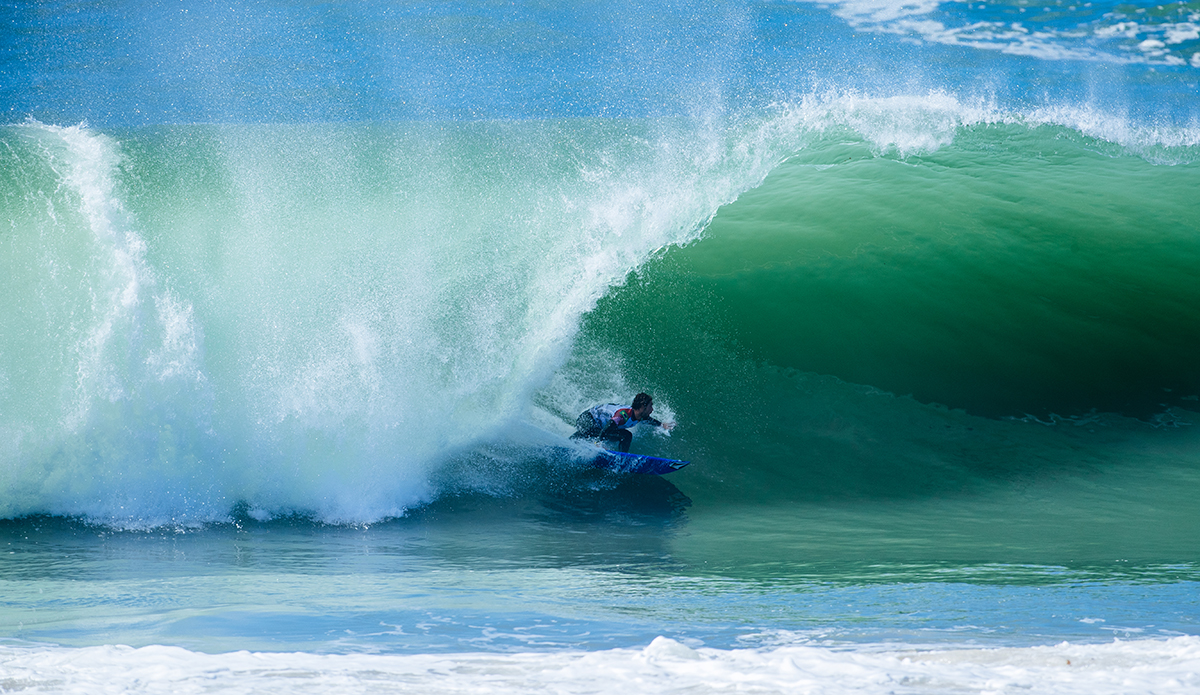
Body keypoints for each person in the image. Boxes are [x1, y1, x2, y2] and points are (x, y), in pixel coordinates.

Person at [570, 392, 674, 453]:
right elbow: (608, 427)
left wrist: (662, 425)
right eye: (651, 406)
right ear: (643, 406)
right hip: (586, 420)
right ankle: (570, 442)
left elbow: (649, 420)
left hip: (598, 426)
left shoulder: (640, 416)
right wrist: (598, 444)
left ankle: (622, 457)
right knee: (595, 431)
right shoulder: (624, 414)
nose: (652, 409)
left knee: (626, 436)